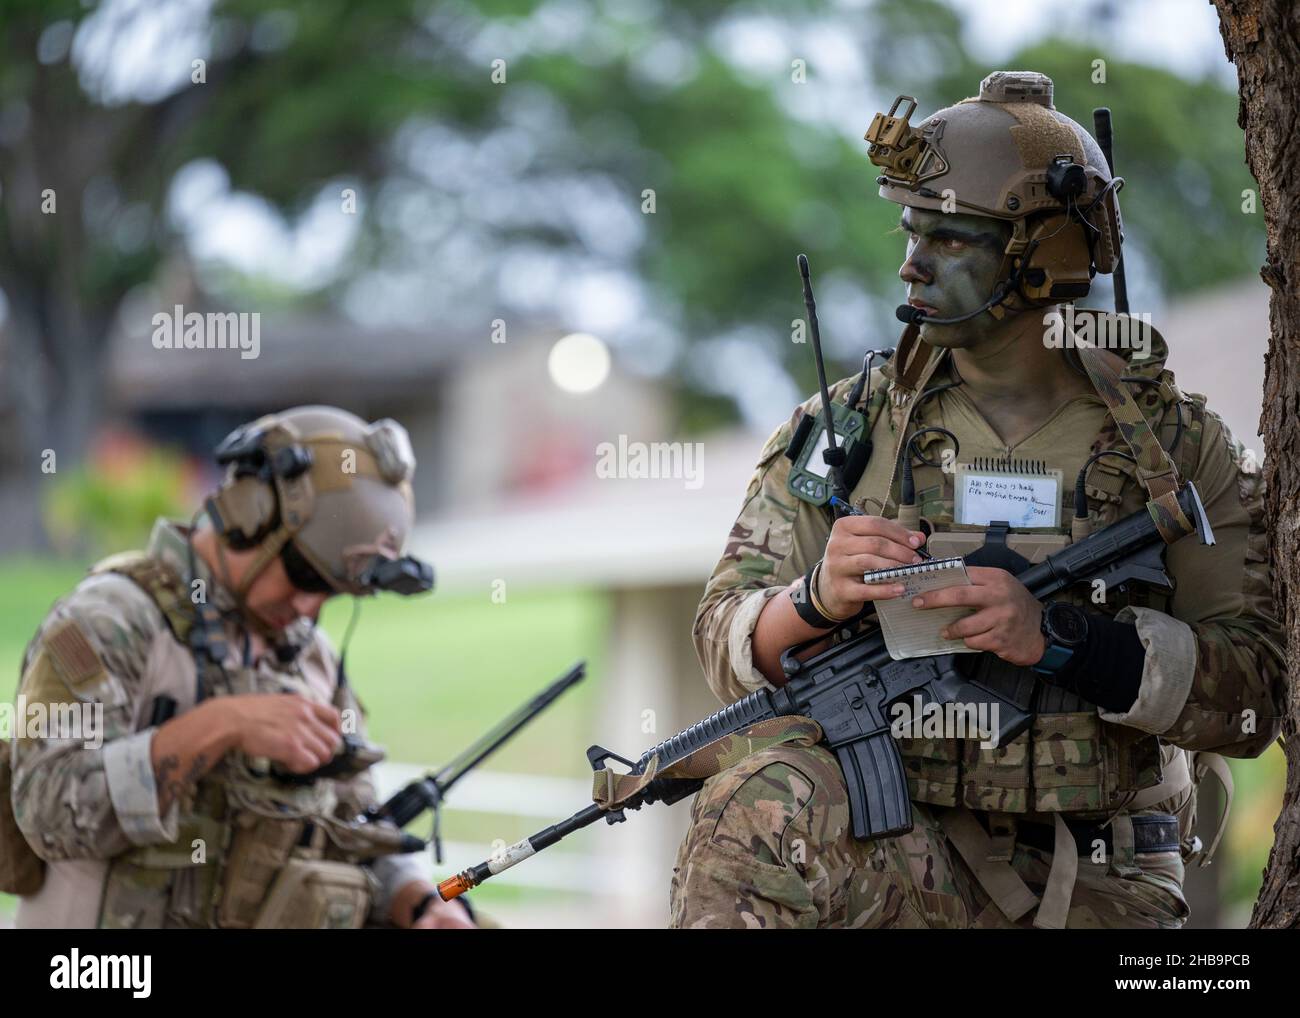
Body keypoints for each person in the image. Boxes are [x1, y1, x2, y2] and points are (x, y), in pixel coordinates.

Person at [670, 71, 1284, 929]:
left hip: (1096, 878)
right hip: (899, 841)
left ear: (1043, 255)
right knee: (755, 805)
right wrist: (814, 600)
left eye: (952, 237)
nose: (910, 263)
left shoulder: (1170, 446)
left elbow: (1257, 693)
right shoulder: (848, 428)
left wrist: (1064, 643)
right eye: (911, 227)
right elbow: (722, 637)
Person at [2, 405, 474, 929]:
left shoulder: (308, 658)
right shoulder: (110, 622)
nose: (307, 609)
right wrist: (220, 726)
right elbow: (47, 813)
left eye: (330, 593)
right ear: (251, 514)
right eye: (302, 576)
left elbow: (354, 820)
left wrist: (416, 899)